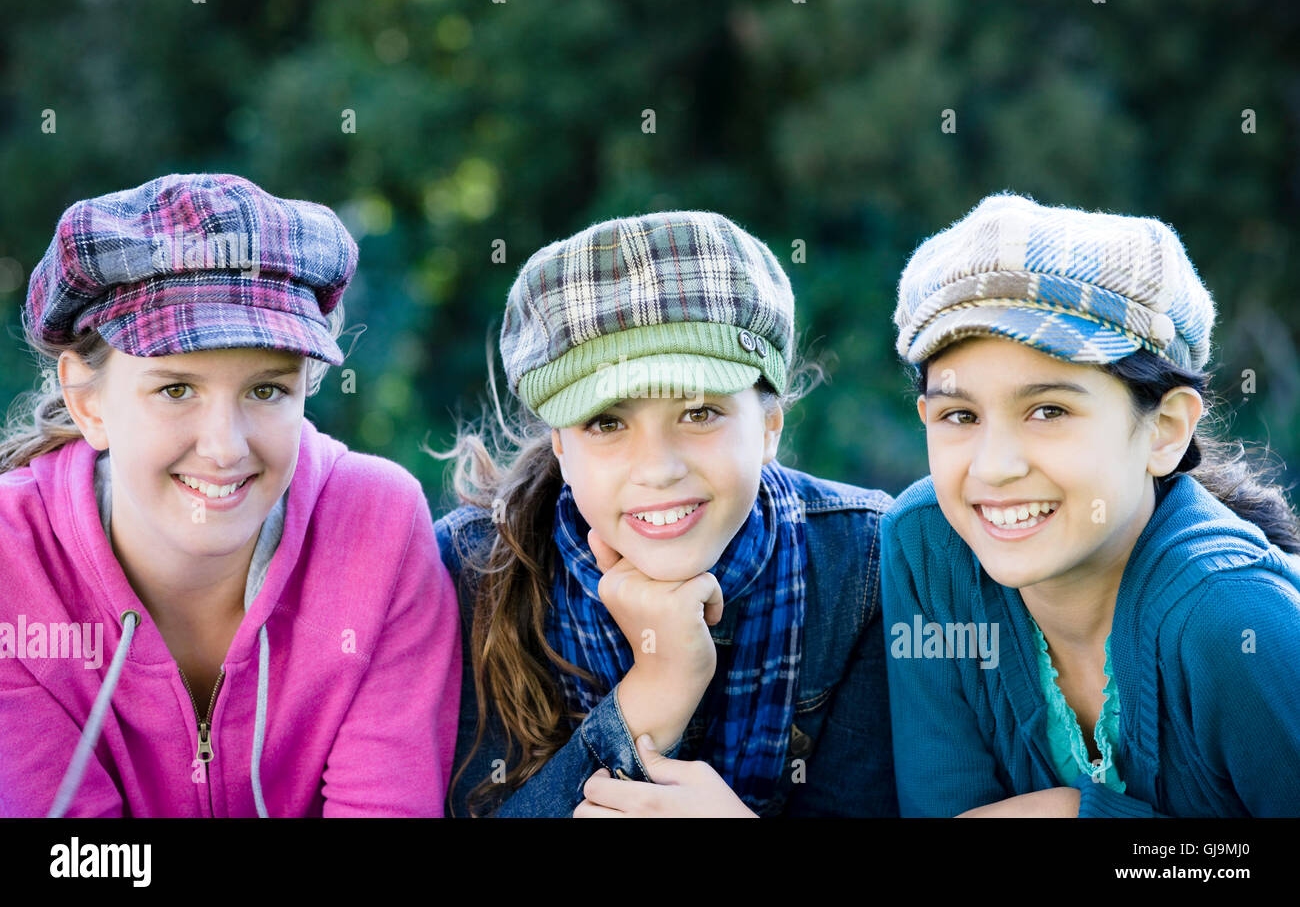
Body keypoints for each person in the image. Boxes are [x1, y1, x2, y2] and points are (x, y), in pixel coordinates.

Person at [0, 173, 460, 816]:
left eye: (266, 390)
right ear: (87, 401)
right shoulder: (12, 565)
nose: (225, 447)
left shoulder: (378, 525)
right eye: (176, 389)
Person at [434, 211, 897, 816]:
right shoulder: (470, 572)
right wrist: (656, 690)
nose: (658, 468)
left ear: (769, 427)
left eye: (699, 412)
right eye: (607, 422)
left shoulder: (862, 562)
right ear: (562, 448)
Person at [882, 191, 1300, 816]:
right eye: (959, 414)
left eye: (1049, 410)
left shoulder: (1238, 621)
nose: (994, 467)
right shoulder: (926, 549)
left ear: (1165, 430)